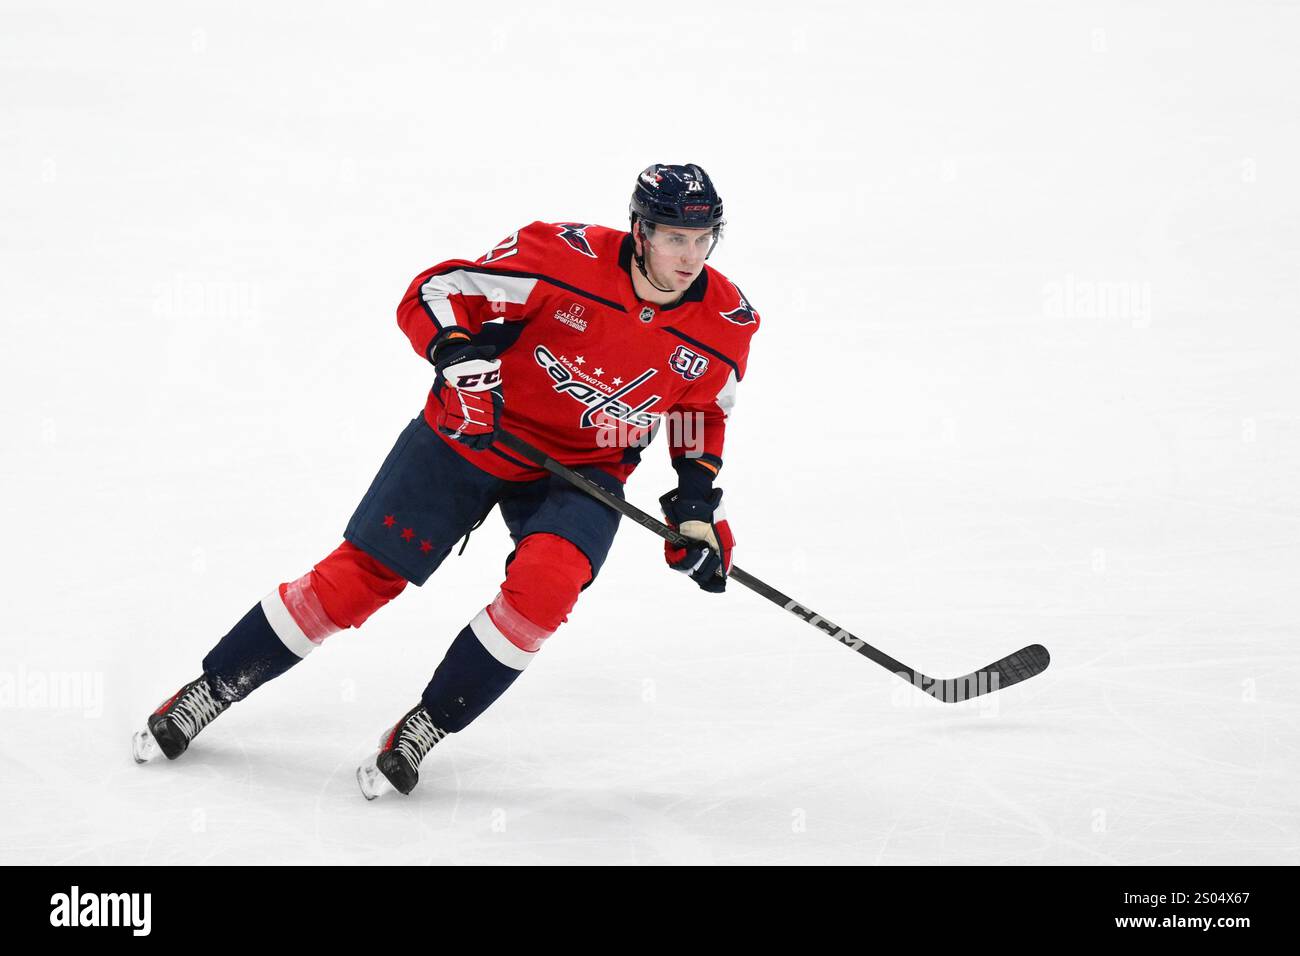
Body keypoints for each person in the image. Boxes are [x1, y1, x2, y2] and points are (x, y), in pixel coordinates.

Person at [132, 163, 761, 799]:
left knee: (548, 589)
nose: (690, 255)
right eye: (674, 238)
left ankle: (426, 726)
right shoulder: (557, 259)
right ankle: (215, 687)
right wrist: (455, 353)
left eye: (704, 237)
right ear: (639, 230)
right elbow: (434, 291)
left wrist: (693, 504)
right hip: (473, 432)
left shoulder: (727, 322)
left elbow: (698, 411)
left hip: (584, 468)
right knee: (358, 581)